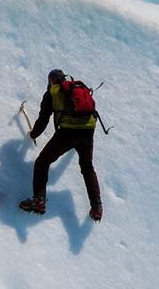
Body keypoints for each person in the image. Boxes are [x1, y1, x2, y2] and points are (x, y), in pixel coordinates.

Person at [20, 69, 103, 222]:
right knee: (87, 167)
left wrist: (32, 135)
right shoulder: (78, 88)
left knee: (42, 162)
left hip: (67, 134)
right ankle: (97, 207)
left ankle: (39, 200)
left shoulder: (53, 92)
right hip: (88, 132)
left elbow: (43, 120)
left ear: (51, 81)